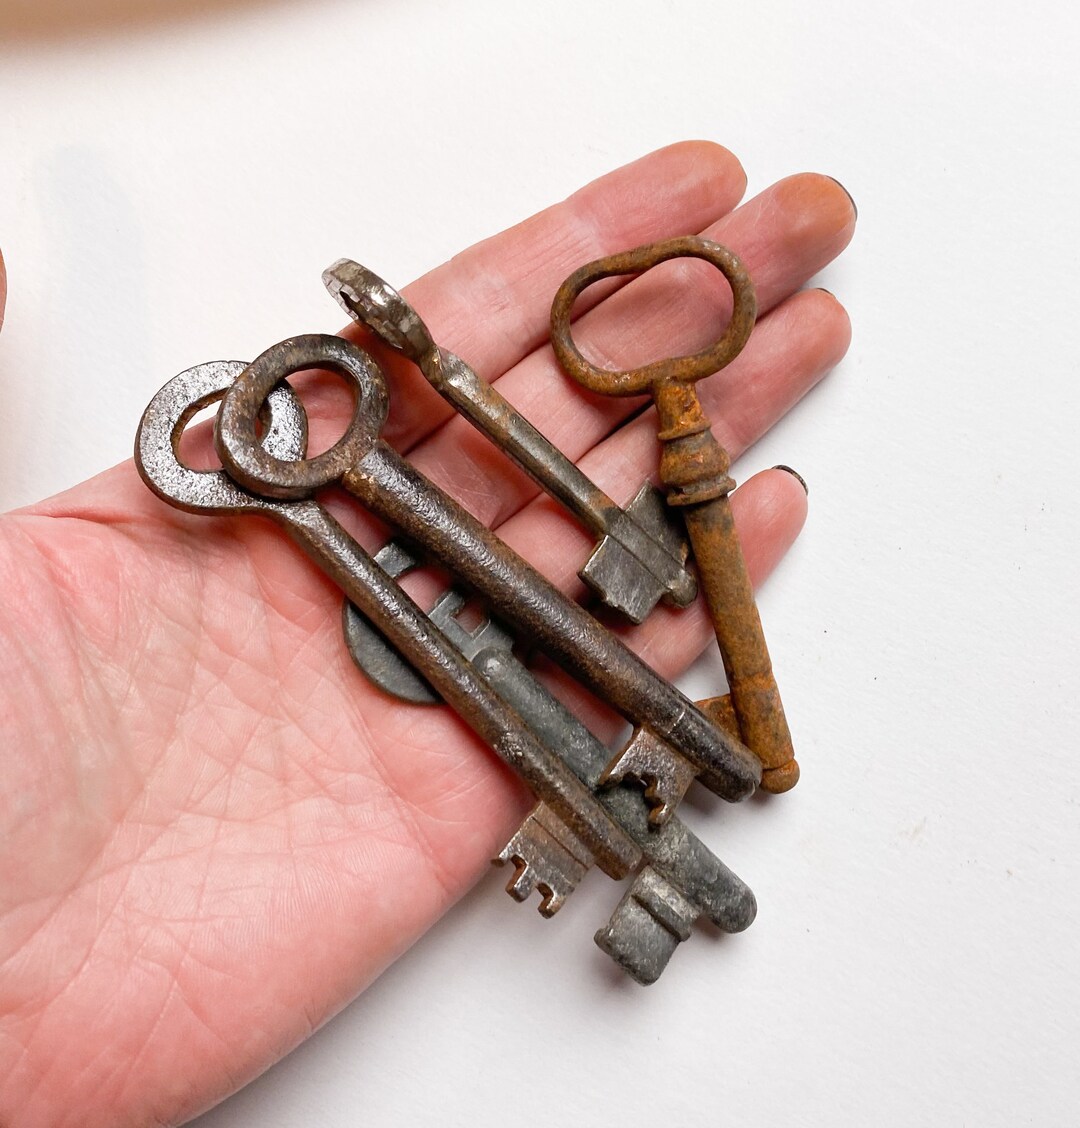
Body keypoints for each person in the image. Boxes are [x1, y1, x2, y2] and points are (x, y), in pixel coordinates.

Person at [0, 142, 855, 1127]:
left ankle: (711, 766)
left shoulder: (326, 475)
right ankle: (706, 778)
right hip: (364, 538)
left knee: (619, 693)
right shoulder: (306, 500)